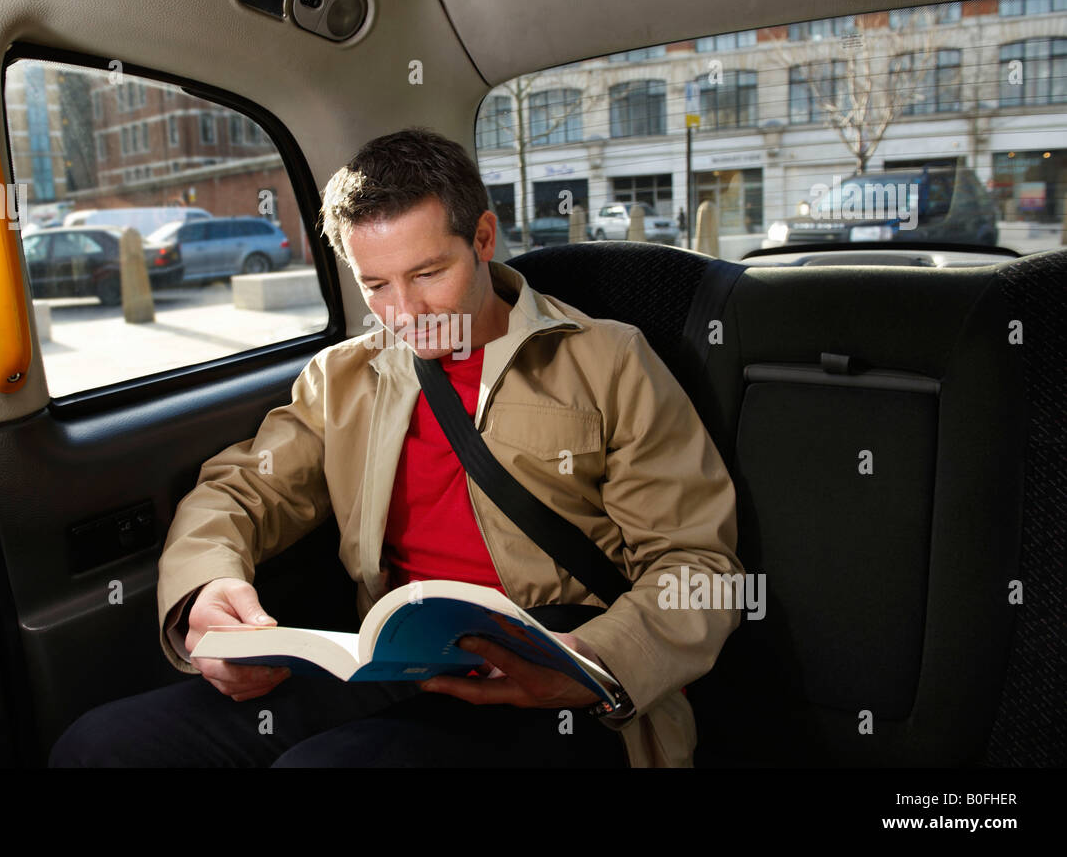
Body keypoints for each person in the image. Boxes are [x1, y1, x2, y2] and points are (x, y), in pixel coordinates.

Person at [49, 127, 742, 767]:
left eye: (427, 274)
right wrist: (206, 586)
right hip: (393, 662)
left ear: (484, 237)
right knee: (103, 748)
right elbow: (240, 489)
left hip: (562, 672)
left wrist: (592, 658)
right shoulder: (344, 377)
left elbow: (697, 564)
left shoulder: (609, 361)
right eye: (375, 285)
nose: (403, 314)